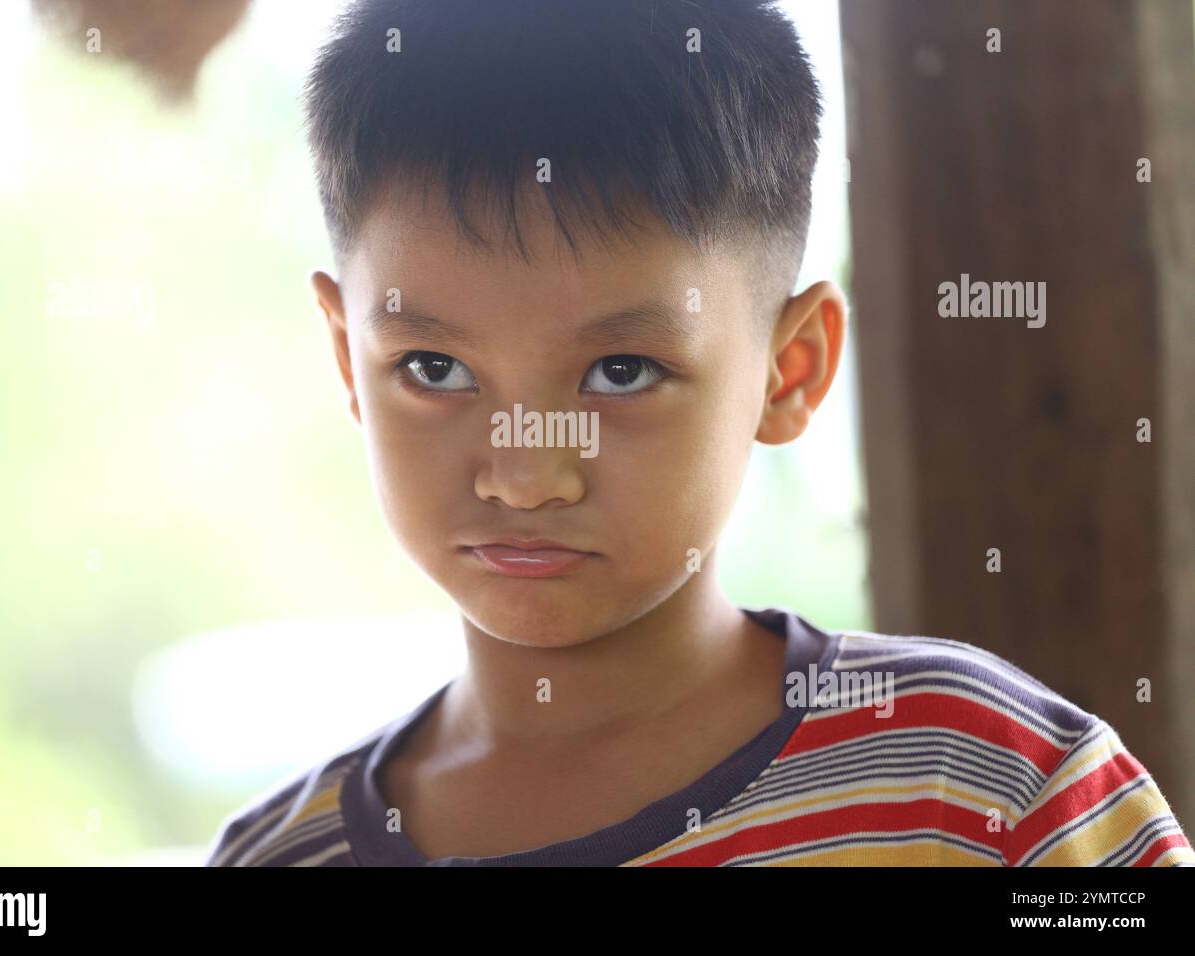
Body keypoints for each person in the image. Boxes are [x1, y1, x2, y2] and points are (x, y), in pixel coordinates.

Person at [205, 0, 1193, 866]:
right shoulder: (277, 854)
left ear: (787, 368)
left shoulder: (988, 793)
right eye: (434, 369)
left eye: (620, 372)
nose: (524, 474)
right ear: (348, 357)